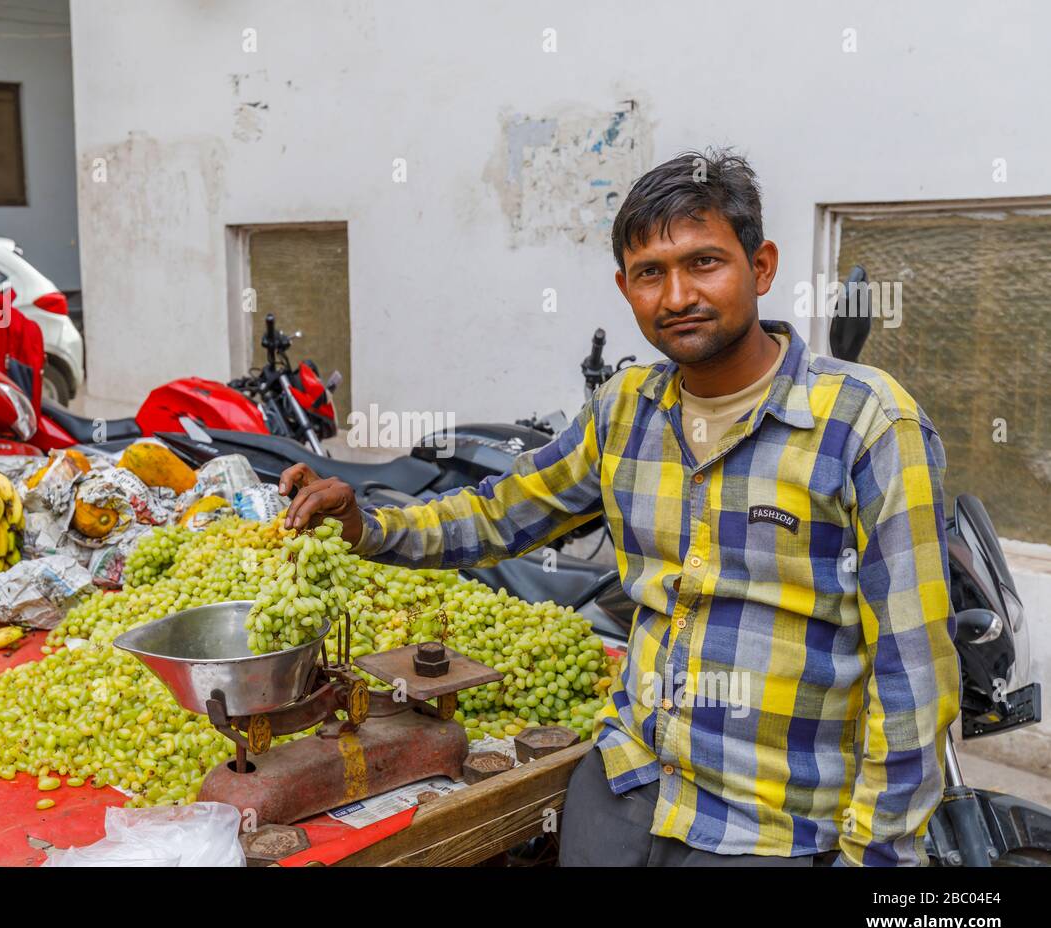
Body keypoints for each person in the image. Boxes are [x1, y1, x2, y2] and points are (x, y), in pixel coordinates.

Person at [278, 148, 959, 867]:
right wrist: (368, 527)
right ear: (624, 287)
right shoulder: (625, 409)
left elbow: (913, 673)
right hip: (626, 788)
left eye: (704, 263)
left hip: (770, 826)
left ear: (760, 267)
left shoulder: (867, 423)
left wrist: (877, 861)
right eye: (649, 274)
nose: (676, 297)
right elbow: (499, 512)